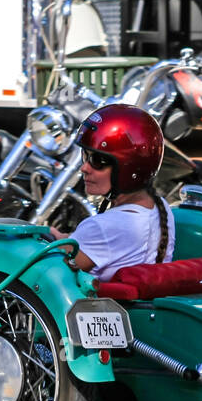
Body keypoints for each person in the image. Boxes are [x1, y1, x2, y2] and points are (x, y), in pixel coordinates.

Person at [49, 104, 174, 278]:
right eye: (86, 155)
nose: (84, 168)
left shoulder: (103, 226)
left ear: (128, 167)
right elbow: (109, 247)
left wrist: (49, 240)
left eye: (98, 161)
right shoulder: (161, 208)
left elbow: (53, 272)